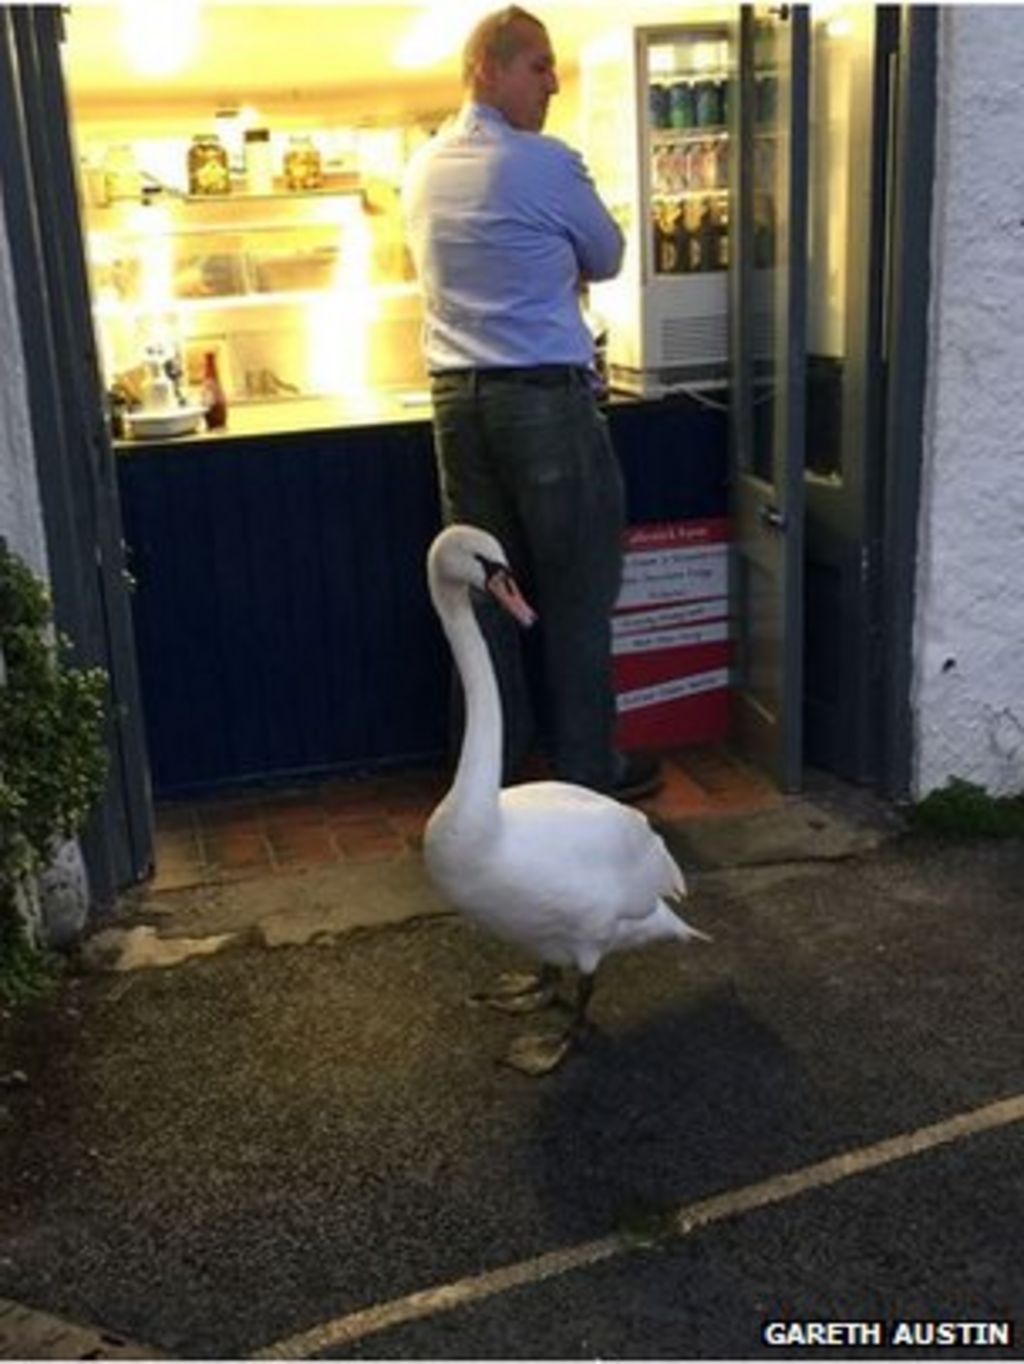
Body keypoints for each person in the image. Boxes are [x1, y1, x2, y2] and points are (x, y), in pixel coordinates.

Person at [402, 4, 662, 802]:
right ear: (490, 69)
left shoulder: (422, 165)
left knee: (486, 599)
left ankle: (495, 769)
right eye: (538, 65)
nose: (553, 82)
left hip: (458, 408)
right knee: (577, 590)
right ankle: (587, 771)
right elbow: (611, 255)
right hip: (543, 403)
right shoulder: (542, 163)